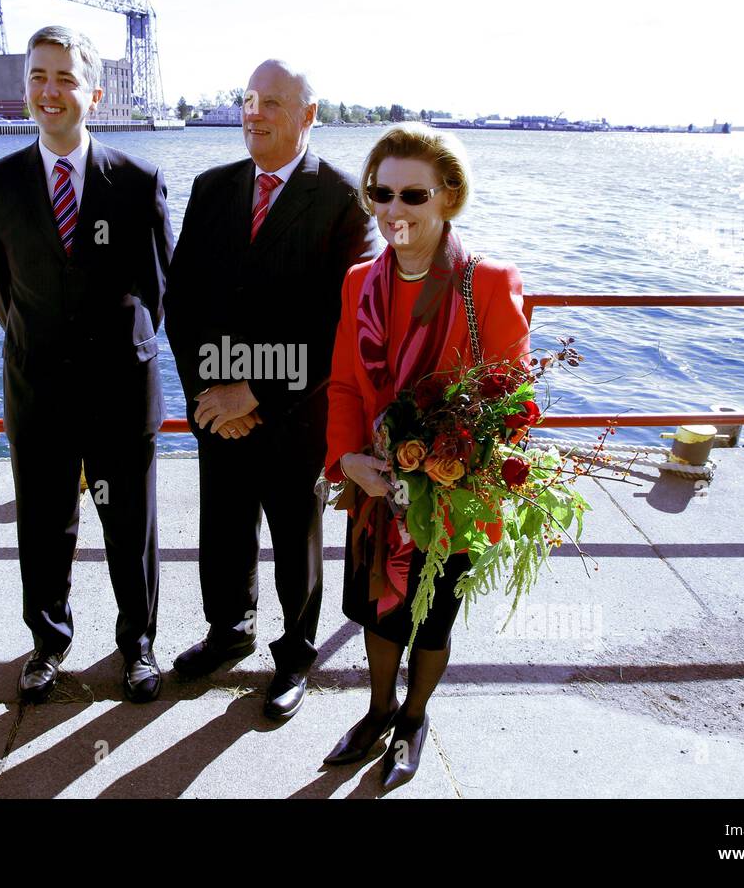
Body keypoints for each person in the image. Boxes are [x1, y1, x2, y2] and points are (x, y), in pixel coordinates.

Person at [164, 59, 380, 722]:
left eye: (273, 103)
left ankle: (295, 653)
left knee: (296, 538)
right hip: (216, 407)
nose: (254, 113)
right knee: (223, 530)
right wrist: (210, 394)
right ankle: (229, 630)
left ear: (309, 115)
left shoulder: (346, 201)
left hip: (293, 413)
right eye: (249, 100)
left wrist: (252, 393)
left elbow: (338, 322)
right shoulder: (211, 188)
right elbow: (183, 300)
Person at [322, 123, 531, 789]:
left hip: (449, 497)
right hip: (376, 493)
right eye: (380, 193)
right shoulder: (360, 282)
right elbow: (347, 385)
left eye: (412, 194)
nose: (393, 210)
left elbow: (517, 402)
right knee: (375, 610)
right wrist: (346, 462)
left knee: (431, 618)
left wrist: (456, 457)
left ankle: (414, 718)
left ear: (448, 196)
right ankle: (379, 709)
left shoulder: (488, 283)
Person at [0, 26, 174, 705]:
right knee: (44, 521)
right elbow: (4, 294)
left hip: (120, 386)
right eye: (38, 76)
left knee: (129, 523)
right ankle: (48, 641)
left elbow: (157, 290)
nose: (49, 91)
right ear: (26, 87)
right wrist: (46, 343)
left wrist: (118, 349)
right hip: (39, 386)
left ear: (92, 90)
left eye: (64, 77)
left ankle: (138, 643)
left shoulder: (138, 180)